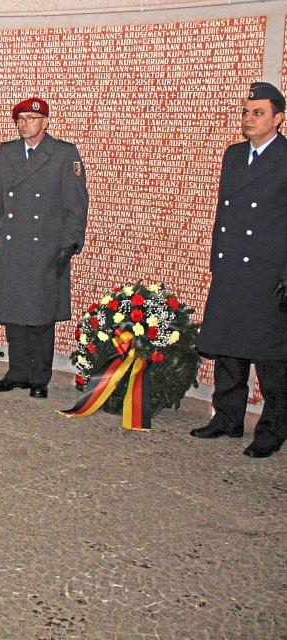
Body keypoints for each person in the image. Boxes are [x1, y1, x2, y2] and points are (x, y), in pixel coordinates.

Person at [193, 81, 287, 459]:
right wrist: (218, 256)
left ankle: (272, 430)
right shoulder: (234, 155)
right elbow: (225, 214)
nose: (249, 118)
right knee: (229, 347)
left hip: (268, 272)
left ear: (278, 119)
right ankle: (226, 417)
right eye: (246, 112)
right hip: (232, 266)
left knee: (271, 359)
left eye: (258, 112)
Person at [0, 98, 89, 399]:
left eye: (31, 118)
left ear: (46, 122)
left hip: (46, 247)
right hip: (13, 242)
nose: (24, 124)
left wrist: (69, 244)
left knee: (41, 316)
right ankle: (16, 372)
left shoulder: (63, 154)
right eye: (20, 118)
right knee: (14, 313)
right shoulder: (7, 152)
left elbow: (76, 204)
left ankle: (39, 376)